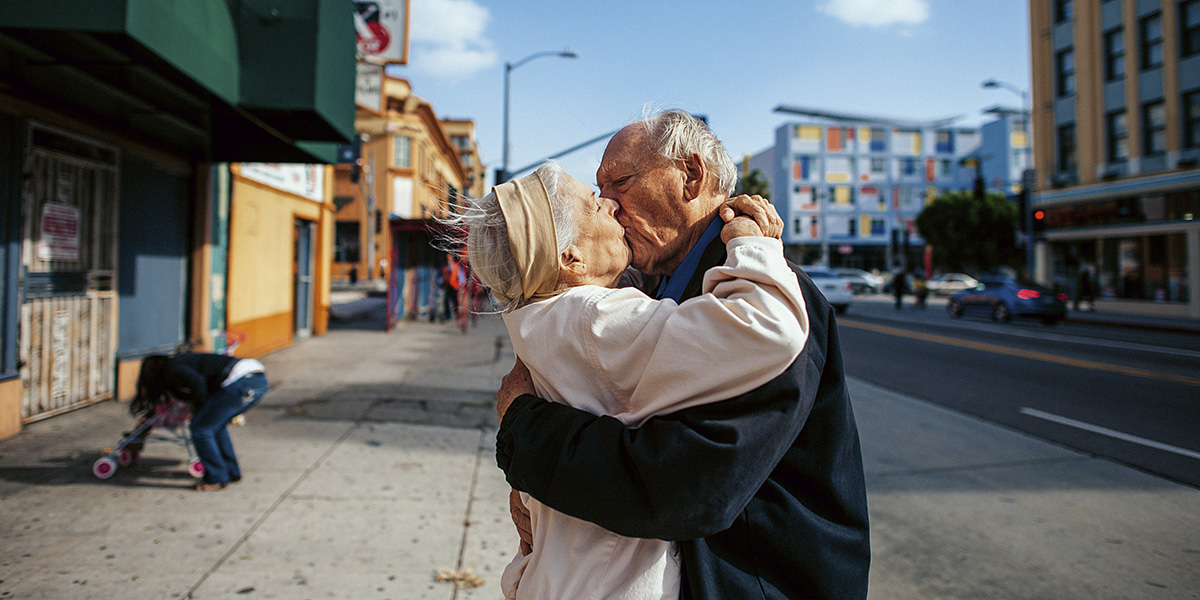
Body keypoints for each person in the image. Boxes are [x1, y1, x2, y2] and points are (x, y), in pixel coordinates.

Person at [495, 110, 870, 599]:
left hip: (759, 581)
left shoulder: (767, 295)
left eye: (620, 183)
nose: (607, 203)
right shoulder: (650, 287)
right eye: (598, 190)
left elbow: (685, 485)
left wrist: (524, 433)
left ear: (690, 177)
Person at [452, 162, 807, 599]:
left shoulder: (540, 317)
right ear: (570, 258)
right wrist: (753, 243)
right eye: (594, 201)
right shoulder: (594, 318)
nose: (611, 205)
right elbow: (766, 326)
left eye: (619, 184)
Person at [131, 352, 268, 491]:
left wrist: (199, 405)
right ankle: (231, 472)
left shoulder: (173, 369)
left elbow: (198, 383)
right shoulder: (181, 362)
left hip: (242, 381)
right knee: (214, 426)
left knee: (200, 429)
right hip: (257, 379)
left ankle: (216, 478)